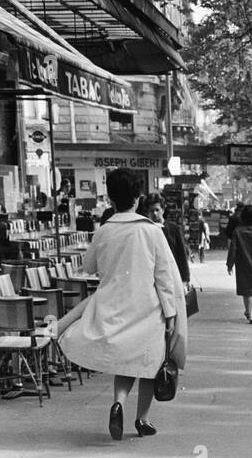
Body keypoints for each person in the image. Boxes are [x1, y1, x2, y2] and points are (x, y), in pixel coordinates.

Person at [50, 166, 187, 439]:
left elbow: (88, 266)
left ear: (111, 199)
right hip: (147, 308)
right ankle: (142, 419)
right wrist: (171, 313)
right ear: (138, 199)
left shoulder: (103, 232)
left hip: (113, 305)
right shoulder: (151, 231)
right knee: (149, 362)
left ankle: (118, 404)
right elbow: (163, 278)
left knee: (125, 362)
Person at [139, 193, 190, 284]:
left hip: (172, 275)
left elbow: (181, 254)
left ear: (163, 209)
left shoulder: (173, 229)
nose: (154, 213)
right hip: (152, 277)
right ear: (147, 212)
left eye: (157, 210)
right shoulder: (144, 230)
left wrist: (185, 279)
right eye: (151, 211)